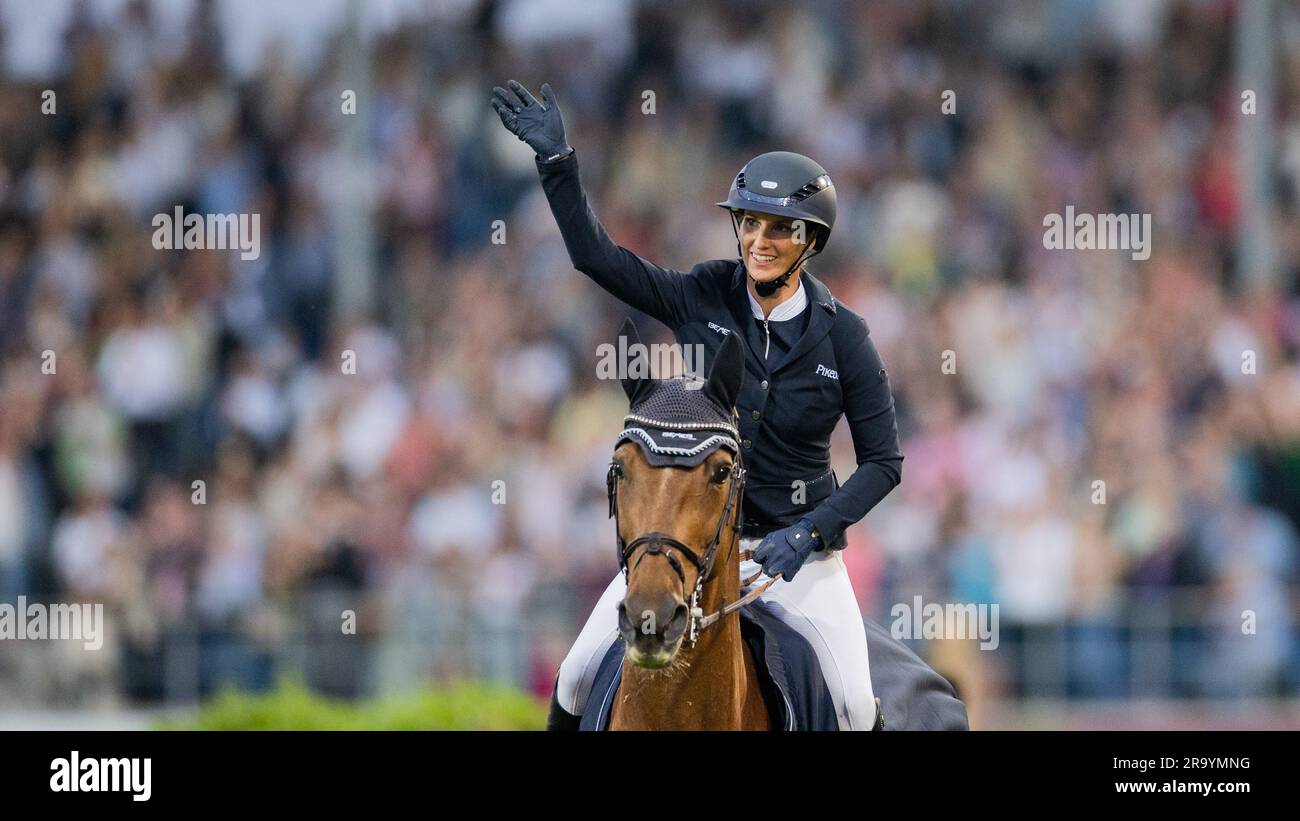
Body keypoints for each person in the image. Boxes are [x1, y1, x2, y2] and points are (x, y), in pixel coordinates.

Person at [492, 80, 902, 730]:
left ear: (810, 241)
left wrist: (809, 533)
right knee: (573, 676)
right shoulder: (702, 294)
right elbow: (596, 257)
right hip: (689, 545)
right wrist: (557, 165)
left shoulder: (845, 335)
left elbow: (884, 462)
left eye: (778, 228)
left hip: (799, 557)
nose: (758, 239)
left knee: (853, 702)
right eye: (748, 223)